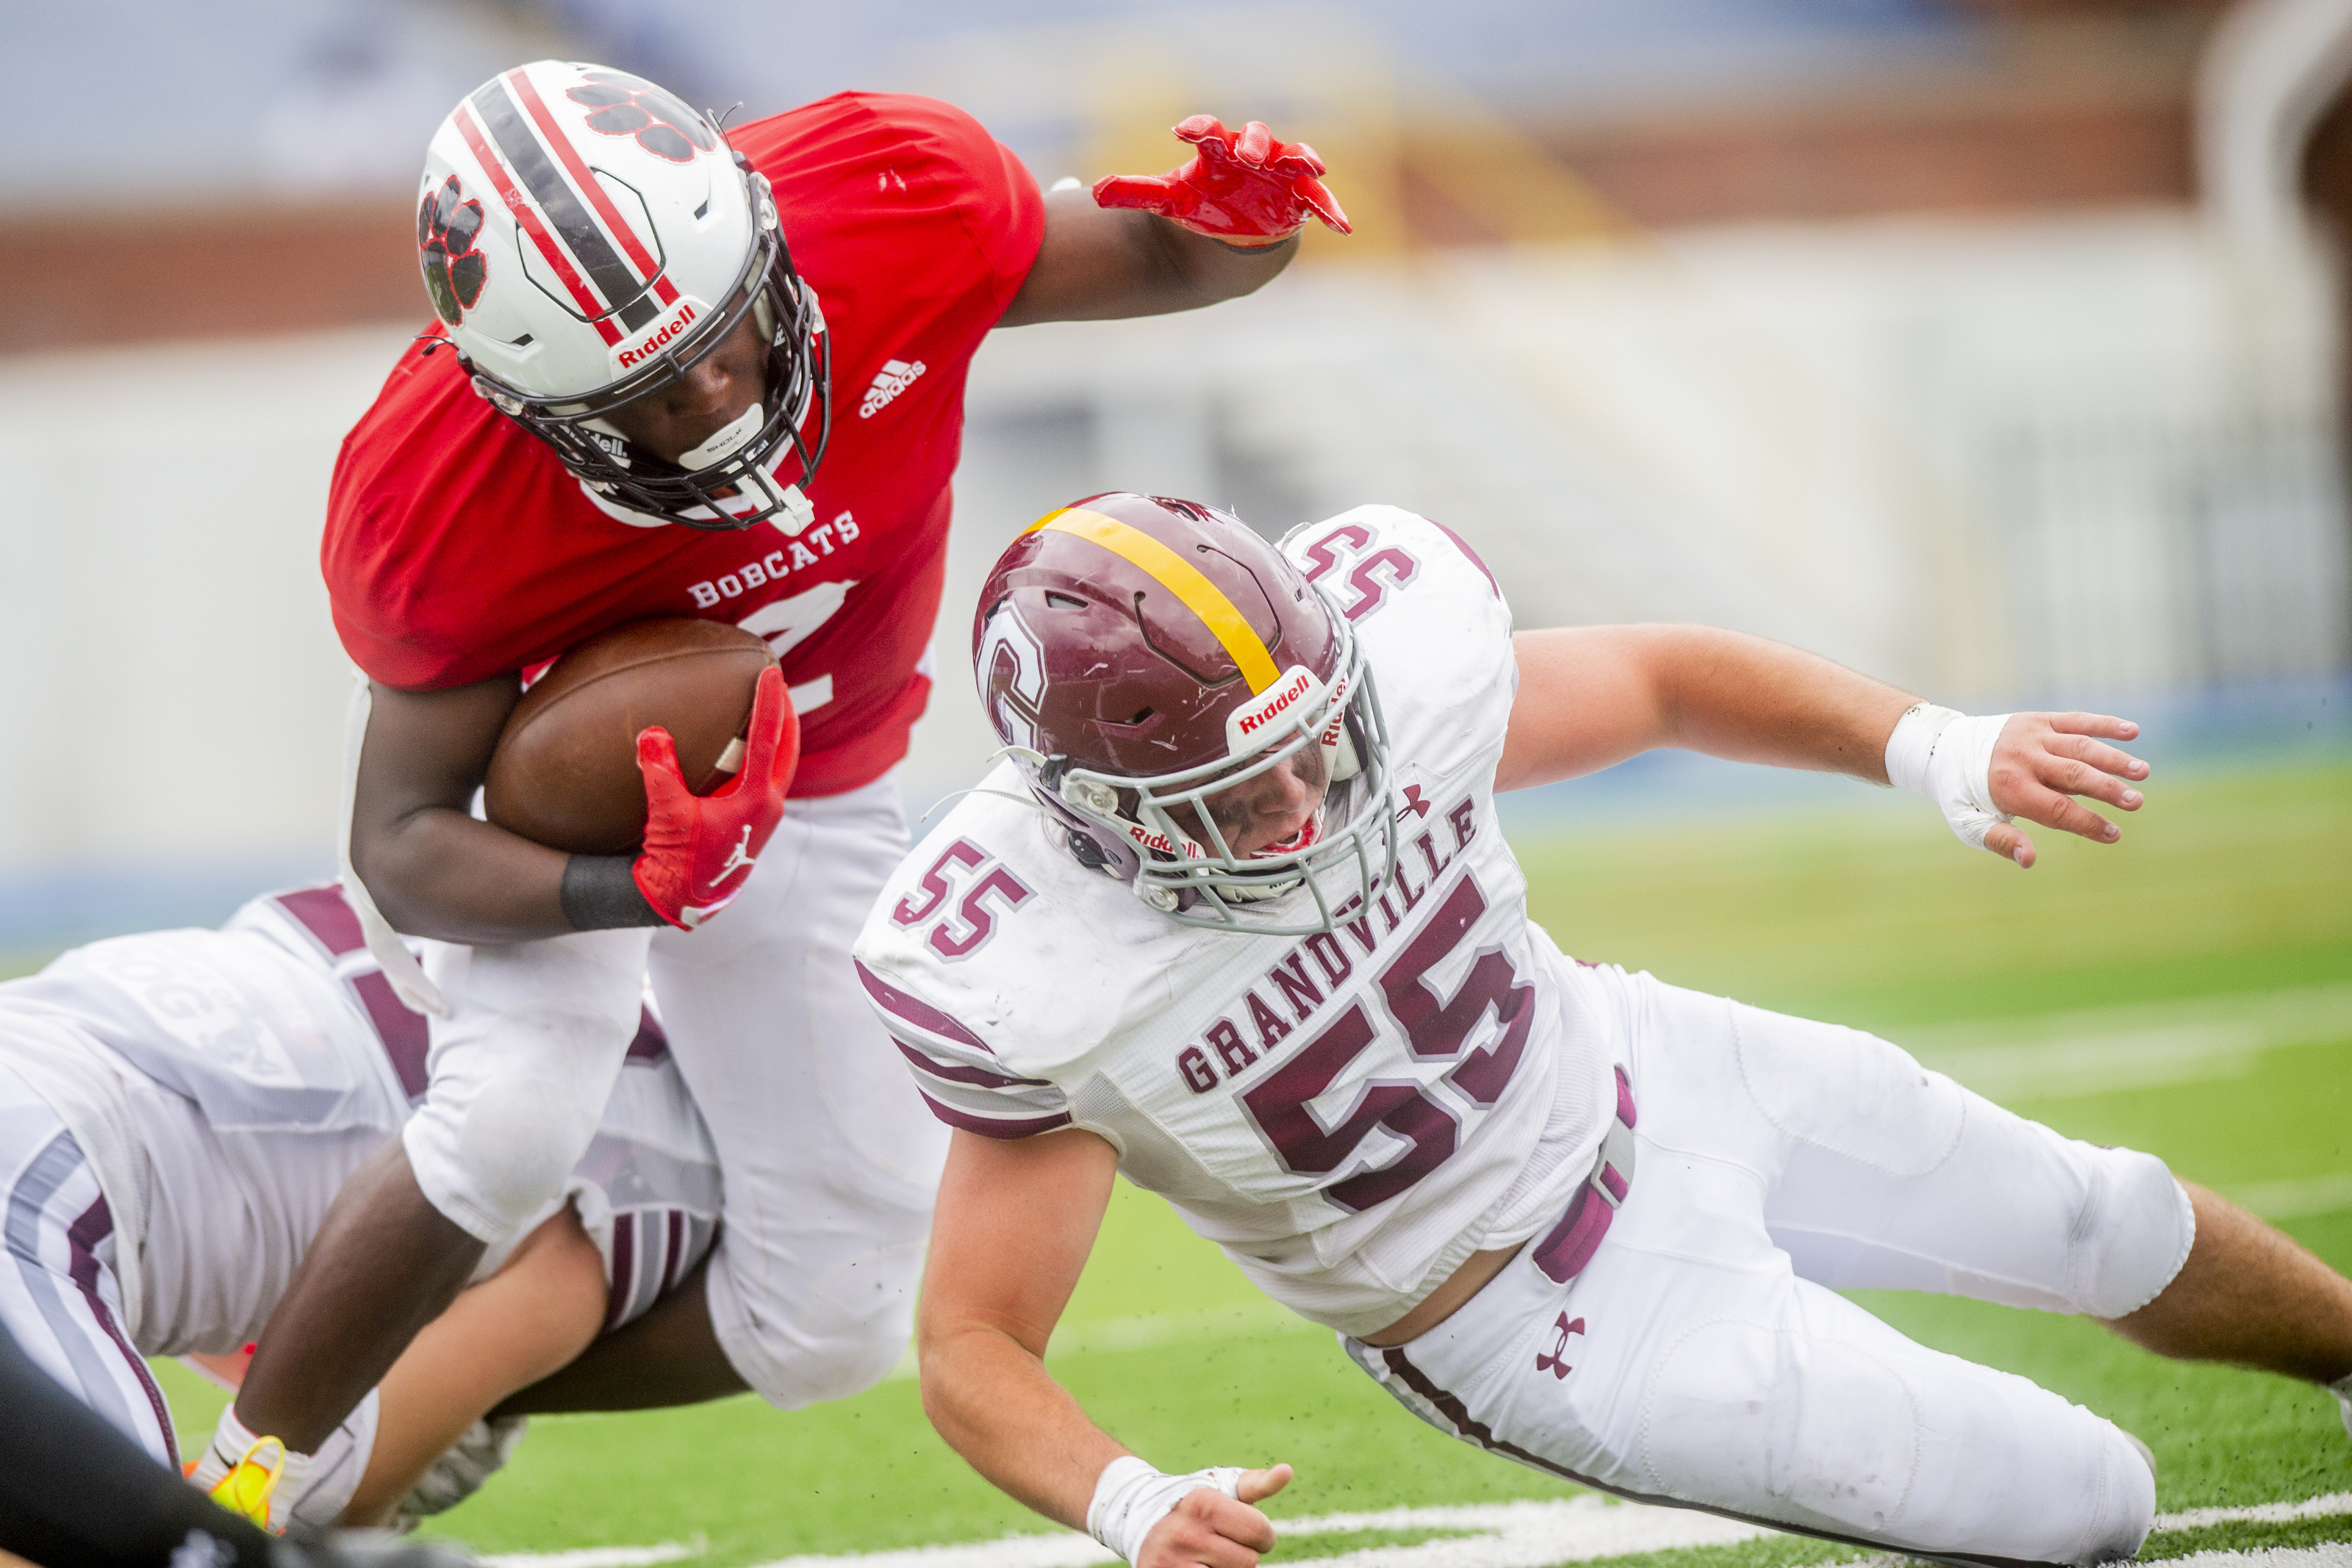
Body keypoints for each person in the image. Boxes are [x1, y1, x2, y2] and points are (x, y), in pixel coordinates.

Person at [221, 59, 1352, 1515]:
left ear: (763, 241)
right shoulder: (432, 490)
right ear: (525, 397)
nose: (711, 399)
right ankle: (239, 1475)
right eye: (642, 395)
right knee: (512, 1122)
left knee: (833, 1321)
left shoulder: (894, 199)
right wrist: (616, 888)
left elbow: (1153, 254)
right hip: (550, 815)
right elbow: (401, 841)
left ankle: (463, 1361)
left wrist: (1245, 231)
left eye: (723, 336)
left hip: (818, 778)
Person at [853, 492, 2352, 1568]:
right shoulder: (1037, 969)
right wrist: (1125, 1501)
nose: (1307, 806)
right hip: (1534, 1318)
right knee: (2090, 1499)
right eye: (1239, 797)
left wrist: (1935, 744)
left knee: (2106, 1209)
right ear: (1096, 812)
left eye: (1319, 745)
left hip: (1649, 1063)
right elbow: (972, 1338)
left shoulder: (1390, 682)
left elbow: (1660, 679)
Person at [0, 882, 722, 1533]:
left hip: (42, 1085)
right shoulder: (647, 1171)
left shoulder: (431, 904)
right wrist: (387, 1489)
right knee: (157, 1547)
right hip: (44, 1180)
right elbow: (322, 1488)